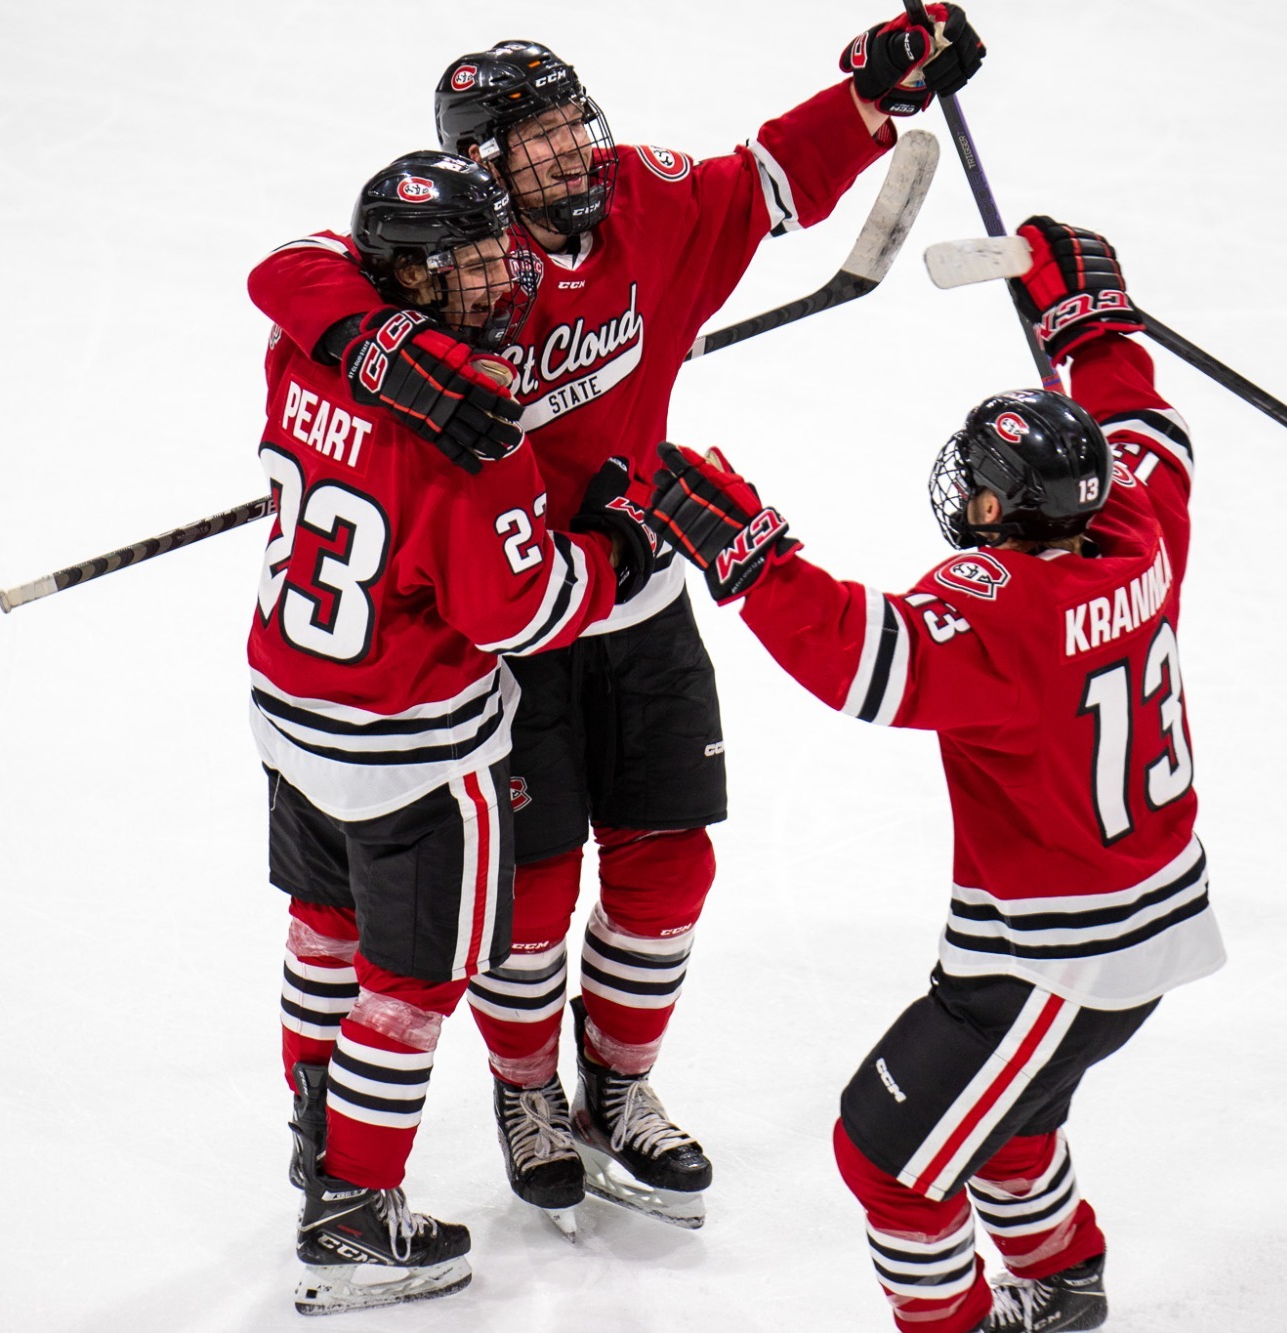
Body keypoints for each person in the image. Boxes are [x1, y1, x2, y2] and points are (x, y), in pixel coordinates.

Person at [246, 10, 987, 1231]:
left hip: (635, 598)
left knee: (670, 865)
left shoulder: (642, 201)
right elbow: (291, 267)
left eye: (566, 123)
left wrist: (871, 96)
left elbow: (761, 180)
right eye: (531, 138)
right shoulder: (455, 259)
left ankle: (622, 1087)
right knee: (529, 897)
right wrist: (380, 346)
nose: (566, 153)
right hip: (509, 625)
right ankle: (528, 1092)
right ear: (479, 168)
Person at [645, 218, 1226, 1332]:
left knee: (886, 1155)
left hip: (1058, 955)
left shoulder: (1008, 613)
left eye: (984, 484)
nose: (965, 496)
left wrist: (748, 550)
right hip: (1128, 924)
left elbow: (859, 661)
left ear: (1012, 510)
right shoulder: (1138, 525)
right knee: (1005, 1127)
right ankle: (1060, 1282)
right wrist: (1090, 317)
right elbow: (1143, 422)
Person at [251, 151, 651, 1313]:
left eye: (494, 249)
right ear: (405, 276)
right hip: (412, 748)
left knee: (322, 931)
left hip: (290, 715)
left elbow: (289, 269)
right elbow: (513, 610)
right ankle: (352, 1213)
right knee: (410, 984)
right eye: (464, 260)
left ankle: (317, 1134)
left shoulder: (304, 348)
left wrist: (377, 351)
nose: (495, 274)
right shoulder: (475, 428)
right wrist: (620, 549)